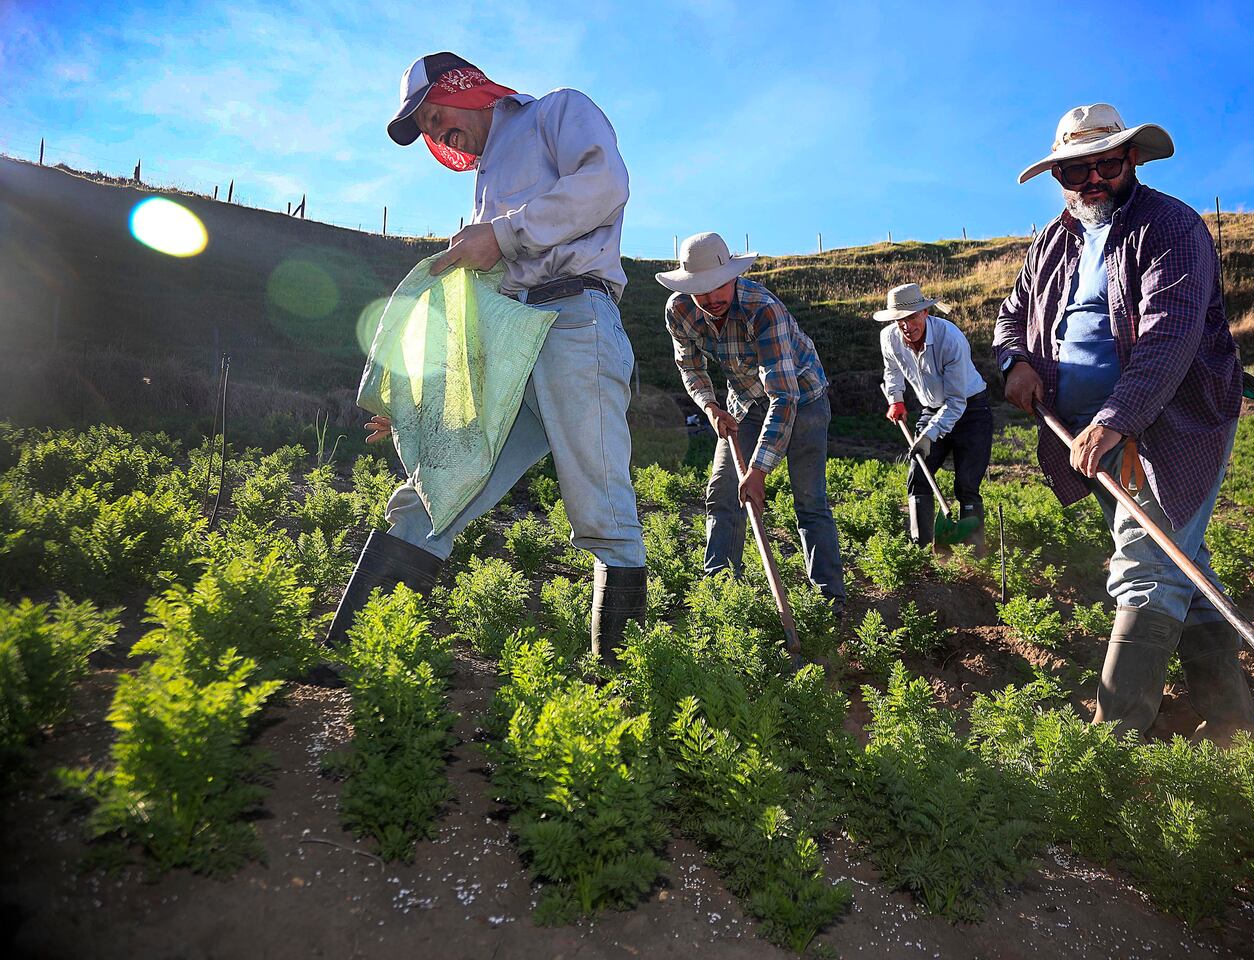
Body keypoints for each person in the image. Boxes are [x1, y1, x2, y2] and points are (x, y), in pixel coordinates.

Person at [331, 52, 645, 663]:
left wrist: (500, 235)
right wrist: (415, 397)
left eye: (433, 115)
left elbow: (604, 184)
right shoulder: (483, 184)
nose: (434, 132)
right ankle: (355, 654)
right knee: (435, 488)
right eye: (423, 128)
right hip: (505, 343)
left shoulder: (557, 112)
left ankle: (626, 684)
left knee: (602, 507)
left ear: (461, 88)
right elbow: (471, 298)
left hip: (574, 321)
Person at [993, 103, 1254, 742]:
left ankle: (1115, 746)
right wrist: (1014, 363)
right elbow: (1012, 311)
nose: (1089, 182)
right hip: (1092, 426)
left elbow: (1170, 335)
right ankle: (1233, 724)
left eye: (1104, 165)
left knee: (1146, 566)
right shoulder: (1054, 238)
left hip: (1169, 424)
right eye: (1073, 171)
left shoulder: (1171, 227)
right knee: (1182, 566)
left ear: (1130, 159)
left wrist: (1116, 415)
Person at [658, 232, 845, 609]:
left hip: (803, 399)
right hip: (742, 402)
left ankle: (829, 600)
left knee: (809, 499)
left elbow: (784, 396)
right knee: (723, 492)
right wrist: (710, 406)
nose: (711, 299)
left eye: (718, 286)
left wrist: (758, 471)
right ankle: (721, 593)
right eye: (701, 290)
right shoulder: (679, 310)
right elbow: (689, 366)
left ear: (733, 276)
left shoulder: (762, 309)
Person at [875, 283, 991, 550]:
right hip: (931, 408)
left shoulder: (950, 339)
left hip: (971, 410)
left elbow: (956, 403)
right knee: (919, 474)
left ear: (925, 312)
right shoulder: (888, 338)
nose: (906, 326)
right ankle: (923, 548)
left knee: (967, 483)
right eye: (900, 320)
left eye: (912, 317)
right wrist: (897, 400)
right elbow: (891, 370)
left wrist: (929, 435)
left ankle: (974, 552)